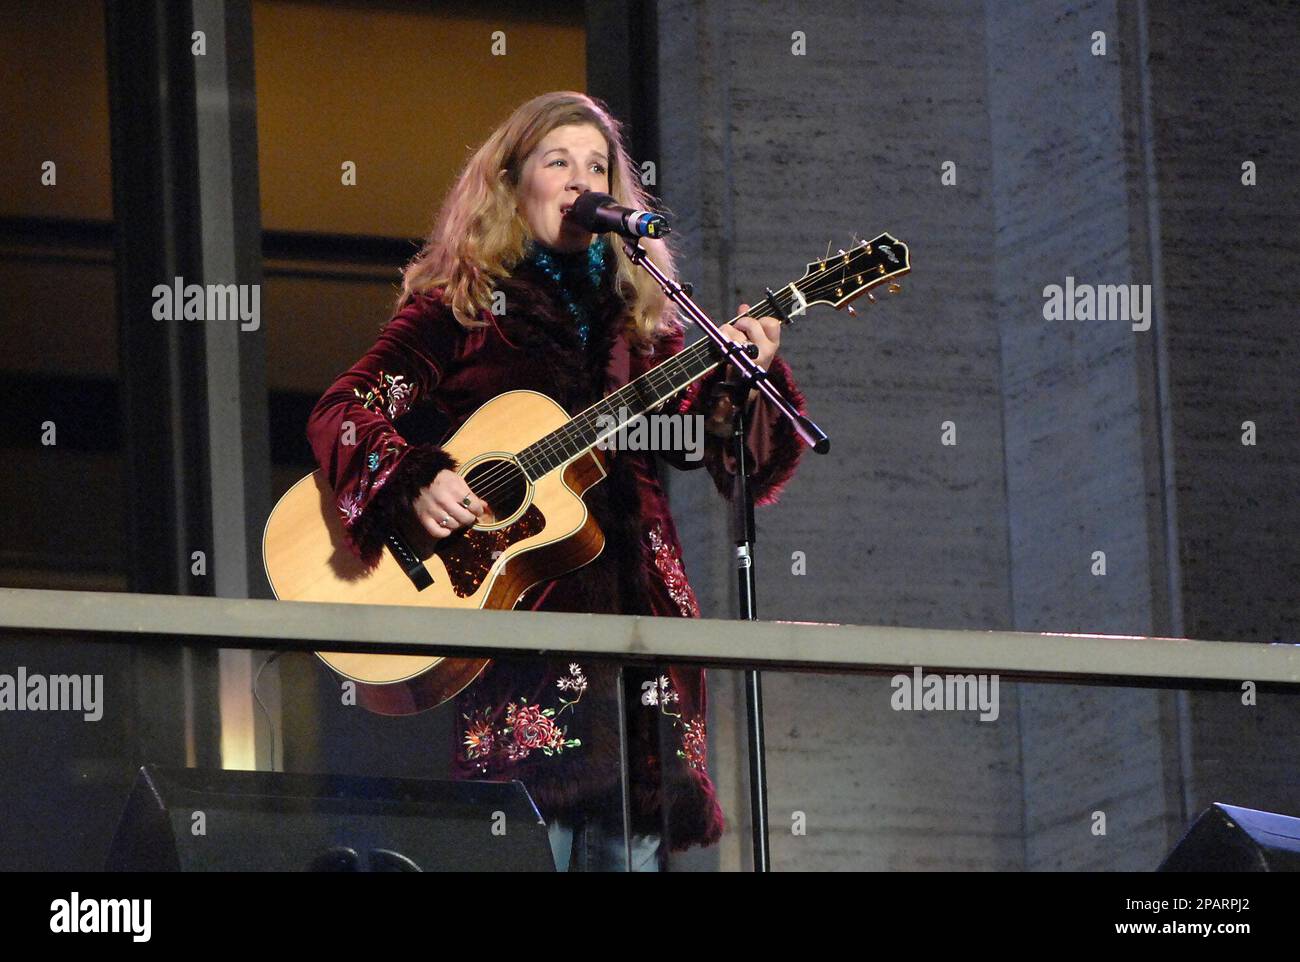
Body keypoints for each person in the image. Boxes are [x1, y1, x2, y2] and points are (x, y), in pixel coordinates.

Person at [307, 91, 805, 871]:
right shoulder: (463, 308)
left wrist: (747, 374)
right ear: (513, 184)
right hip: (522, 635)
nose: (581, 180)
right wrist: (414, 478)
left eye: (597, 165)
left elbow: (733, 456)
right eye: (558, 162)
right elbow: (345, 409)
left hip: (643, 639)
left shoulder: (649, 325)